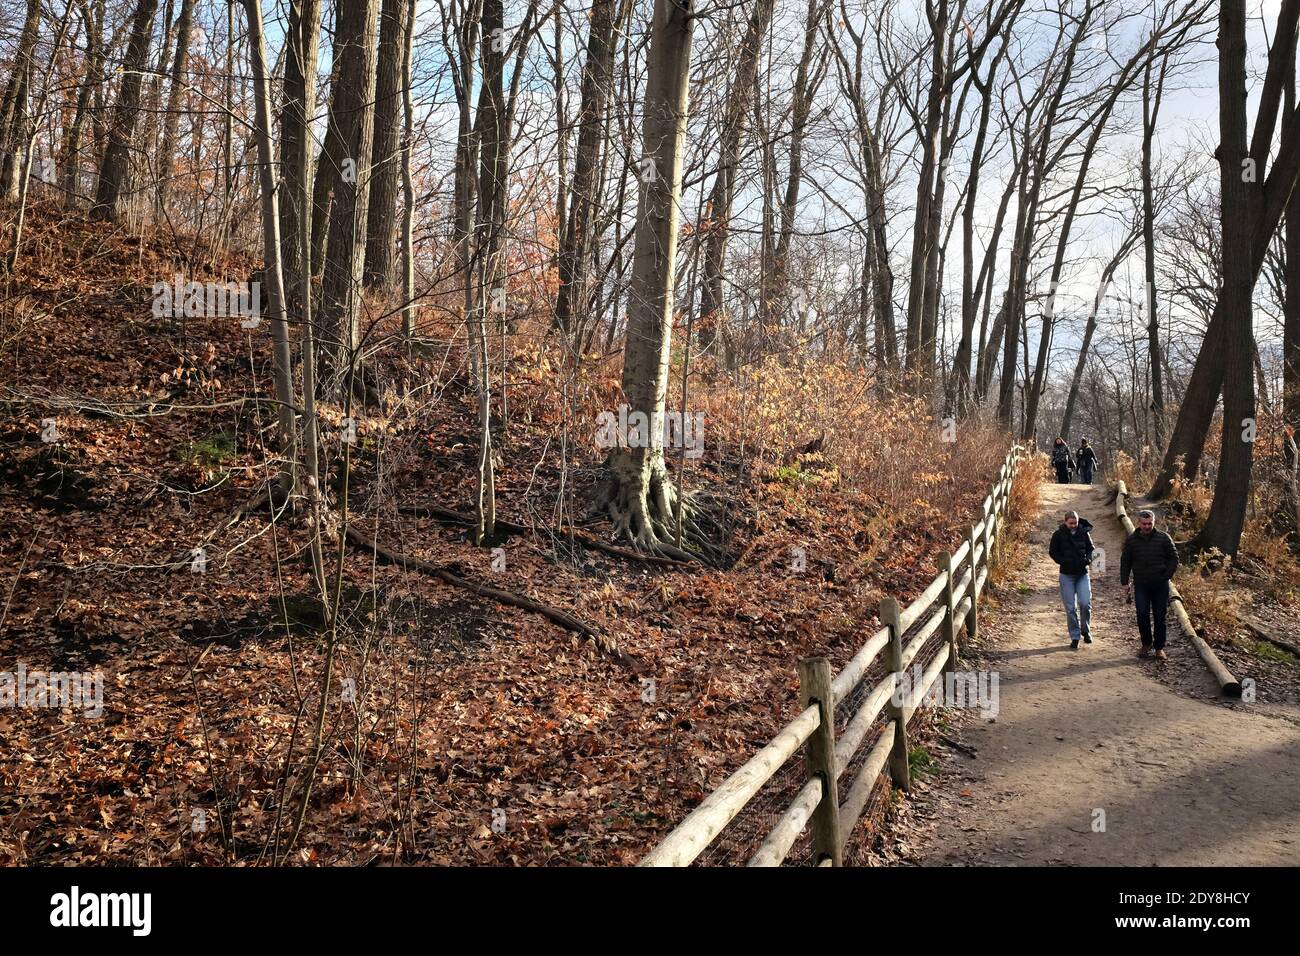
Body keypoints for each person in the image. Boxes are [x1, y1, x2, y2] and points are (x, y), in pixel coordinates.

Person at [1120, 509, 1180, 661]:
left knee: (1160, 616)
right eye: (1144, 524)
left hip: (1160, 585)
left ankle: (1159, 648)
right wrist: (1125, 581)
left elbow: (1174, 559)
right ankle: (1146, 644)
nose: (1147, 526)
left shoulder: (1164, 538)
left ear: (1154, 522)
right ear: (1138, 523)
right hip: (1141, 584)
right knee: (1142, 614)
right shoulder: (1132, 540)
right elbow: (1125, 561)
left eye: (1150, 524)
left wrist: (1166, 576)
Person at [1049, 510, 1095, 649]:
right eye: (1071, 523)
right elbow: (1053, 552)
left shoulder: (1084, 532)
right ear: (1065, 522)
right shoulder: (1058, 535)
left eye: (1075, 522)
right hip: (1066, 575)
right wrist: (1063, 561)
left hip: (1082, 573)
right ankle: (1075, 636)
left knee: (1085, 603)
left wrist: (1088, 559)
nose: (1074, 525)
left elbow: (1091, 549)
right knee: (1070, 608)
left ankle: (1085, 631)